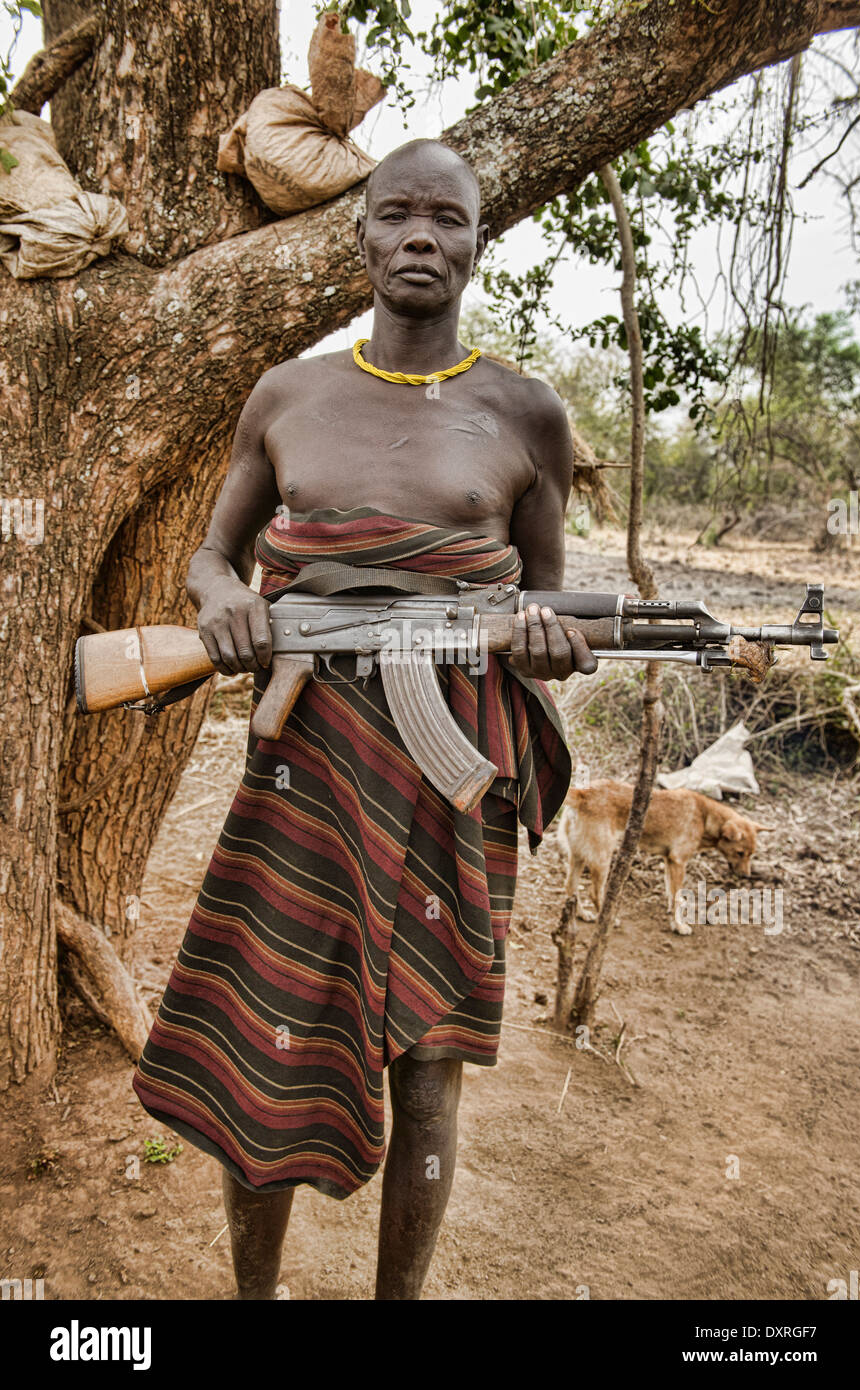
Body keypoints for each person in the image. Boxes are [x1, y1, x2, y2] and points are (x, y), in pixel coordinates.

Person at [133, 138, 597, 1300]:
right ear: (364, 236)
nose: (422, 238)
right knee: (265, 1046)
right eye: (398, 215)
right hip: (305, 770)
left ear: (480, 242)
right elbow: (208, 555)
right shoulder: (289, 394)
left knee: (432, 1064)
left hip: (453, 783)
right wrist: (228, 602)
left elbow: (545, 594)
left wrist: (543, 633)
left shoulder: (527, 412)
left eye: (449, 219)